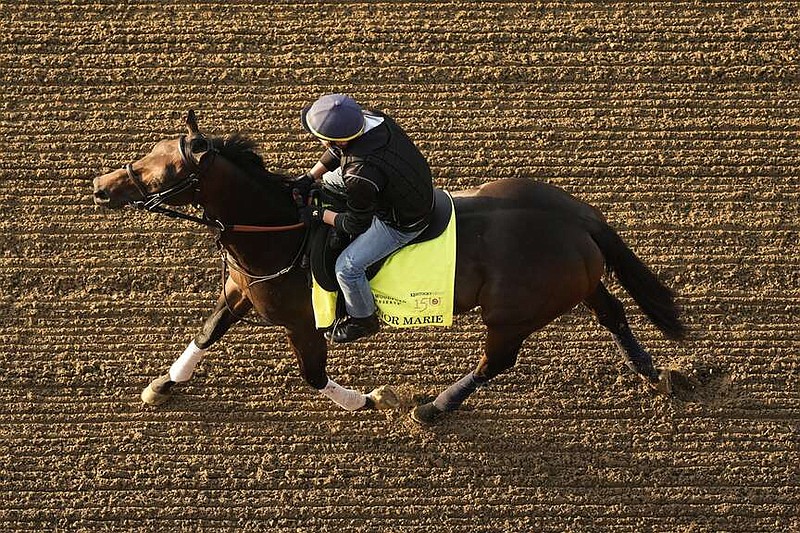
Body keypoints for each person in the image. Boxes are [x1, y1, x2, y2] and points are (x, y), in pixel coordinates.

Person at [294, 93, 434, 343]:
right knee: (328, 180)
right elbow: (340, 149)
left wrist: (318, 214)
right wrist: (309, 177)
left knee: (347, 268)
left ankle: (363, 319)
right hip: (406, 181)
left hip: (403, 220)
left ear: (337, 141)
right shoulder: (374, 118)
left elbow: (356, 223)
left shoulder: (359, 173)